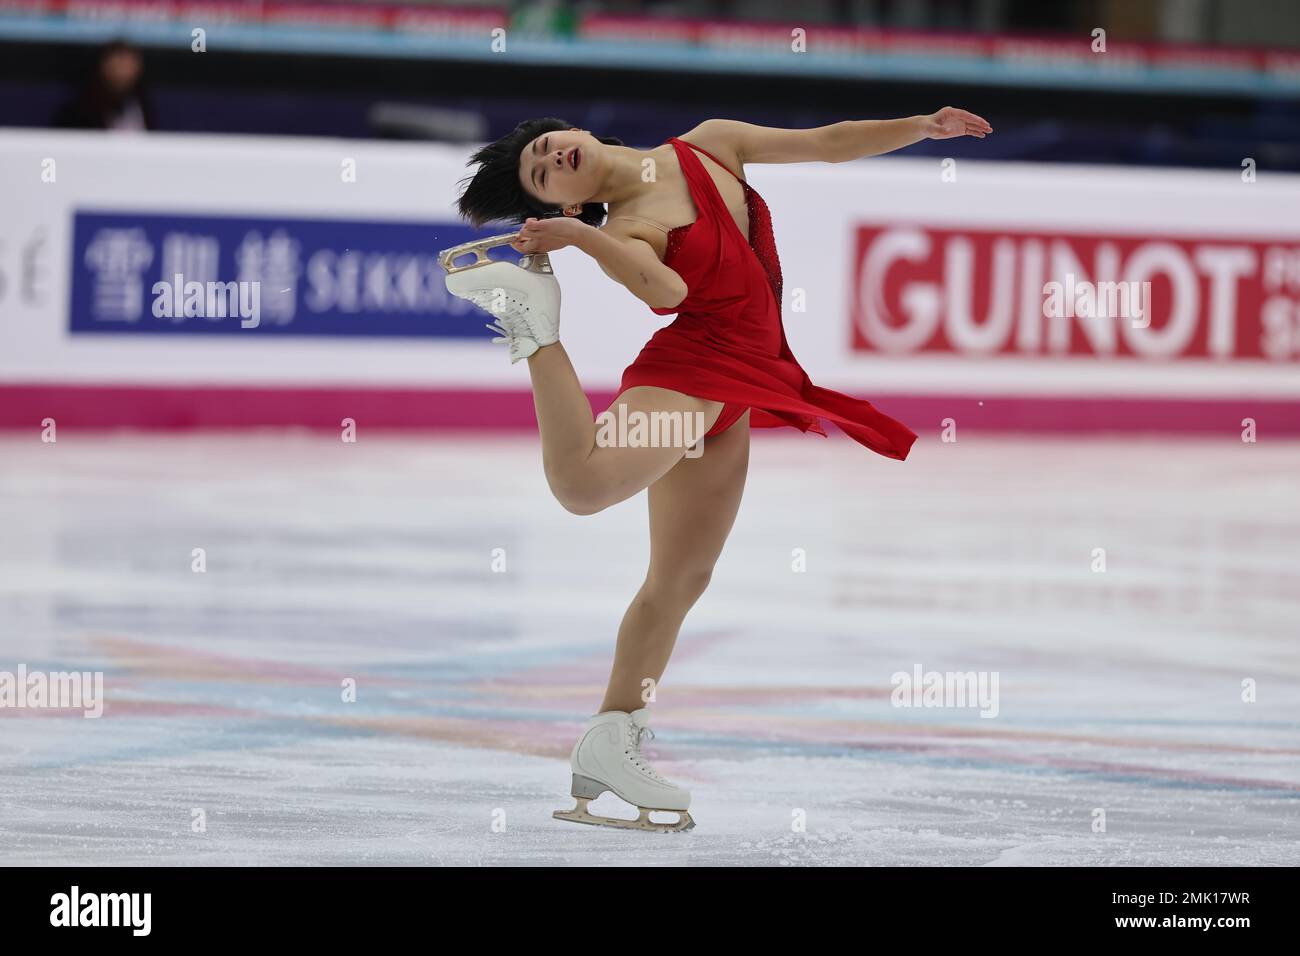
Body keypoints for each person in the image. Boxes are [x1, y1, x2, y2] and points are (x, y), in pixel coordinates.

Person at [447, 110, 992, 830]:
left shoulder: (712, 142)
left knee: (680, 578)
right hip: (693, 378)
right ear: (564, 205)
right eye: (541, 177)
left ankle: (613, 737)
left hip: (740, 383)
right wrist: (583, 241)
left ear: (579, 134)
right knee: (583, 485)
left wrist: (920, 126)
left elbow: (824, 144)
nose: (553, 161)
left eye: (549, 148)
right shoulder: (620, 230)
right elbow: (665, 292)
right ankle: (532, 325)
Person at [55, 40, 154, 132]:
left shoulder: (142, 104)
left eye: (128, 64)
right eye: (118, 63)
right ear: (102, 65)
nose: (122, 71)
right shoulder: (79, 109)